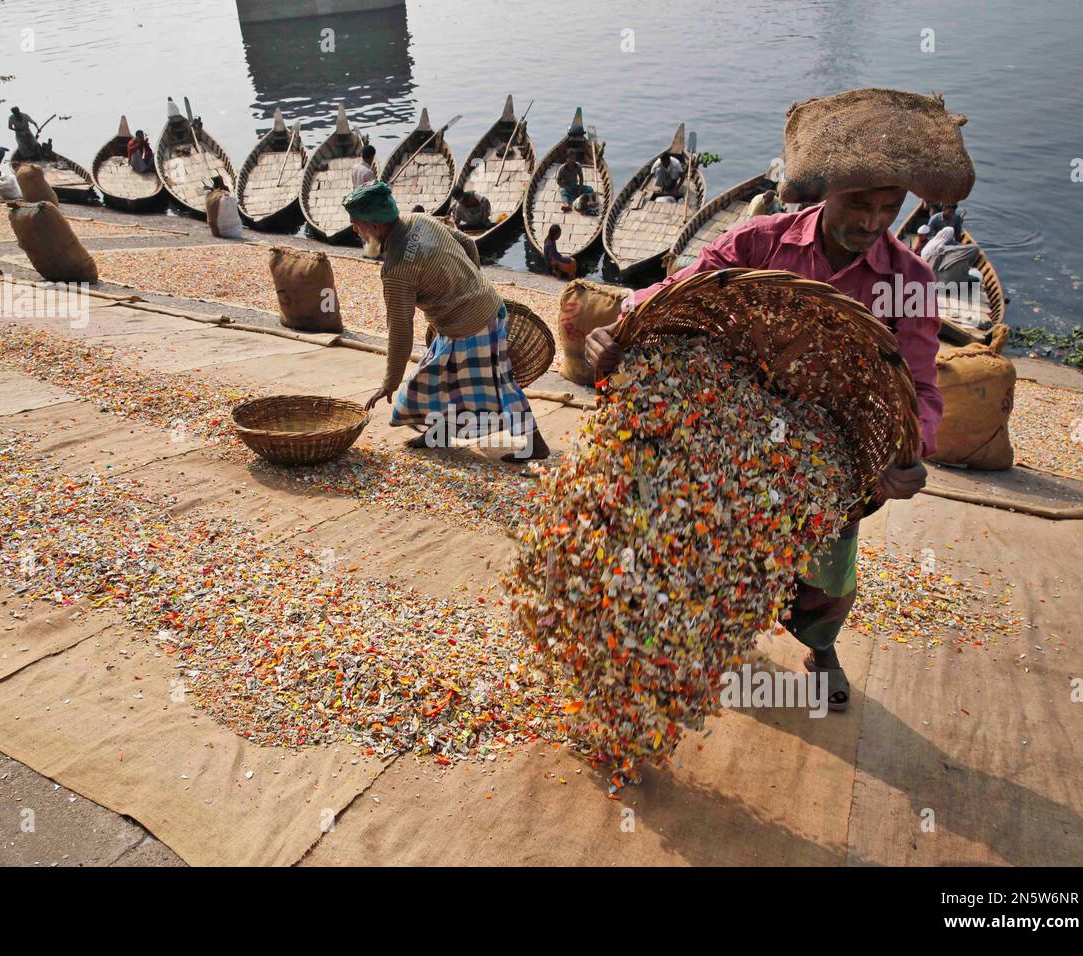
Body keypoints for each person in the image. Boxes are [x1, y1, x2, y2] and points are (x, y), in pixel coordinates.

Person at [586, 91, 967, 712]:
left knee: (826, 570)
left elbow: (922, 387)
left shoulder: (910, 282)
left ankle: (820, 646)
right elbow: (681, 289)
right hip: (741, 416)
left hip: (835, 446)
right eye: (858, 204)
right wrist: (623, 323)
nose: (872, 222)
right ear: (823, 192)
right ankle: (696, 631)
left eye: (888, 208)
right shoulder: (760, 244)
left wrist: (913, 448)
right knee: (703, 534)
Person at [344, 180, 550, 462]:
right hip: (485, 308)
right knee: (435, 378)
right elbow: (467, 243)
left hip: (472, 327)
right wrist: (470, 283)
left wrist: (389, 384)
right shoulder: (419, 220)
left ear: (376, 226)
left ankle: (536, 444)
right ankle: (439, 433)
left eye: (357, 224)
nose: (356, 230)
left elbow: (401, 333)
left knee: (498, 385)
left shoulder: (396, 271)